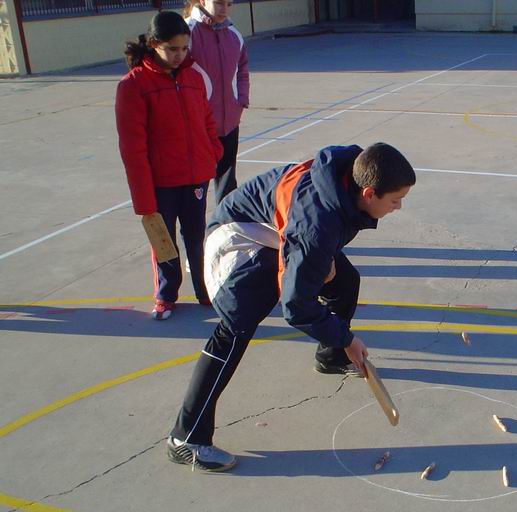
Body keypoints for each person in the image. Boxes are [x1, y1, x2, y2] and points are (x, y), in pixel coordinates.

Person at [166, 143, 416, 472]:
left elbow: (312, 234)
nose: (398, 207)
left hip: (279, 230)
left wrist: (319, 263)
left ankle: (329, 357)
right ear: (369, 193)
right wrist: (346, 337)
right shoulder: (318, 227)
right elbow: (296, 306)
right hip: (236, 238)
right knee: (237, 326)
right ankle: (187, 438)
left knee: (345, 281)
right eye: (395, 200)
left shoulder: (347, 179)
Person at [116, 11, 223, 320]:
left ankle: (206, 289)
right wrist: (143, 198)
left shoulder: (193, 78)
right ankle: (166, 294)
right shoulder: (133, 86)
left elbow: (206, 119)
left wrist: (212, 151)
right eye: (172, 49)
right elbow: (133, 149)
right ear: (153, 44)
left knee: (196, 237)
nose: (180, 56)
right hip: (161, 182)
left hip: (195, 178)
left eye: (184, 49)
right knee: (165, 242)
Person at [184, 0, 250, 205]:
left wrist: (241, 100)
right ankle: (196, 230)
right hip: (199, 124)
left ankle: (225, 227)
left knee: (228, 181)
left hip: (229, 121)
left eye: (229, 4)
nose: (224, 9)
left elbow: (243, 71)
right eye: (219, 3)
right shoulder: (187, 32)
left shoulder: (234, 35)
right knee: (197, 184)